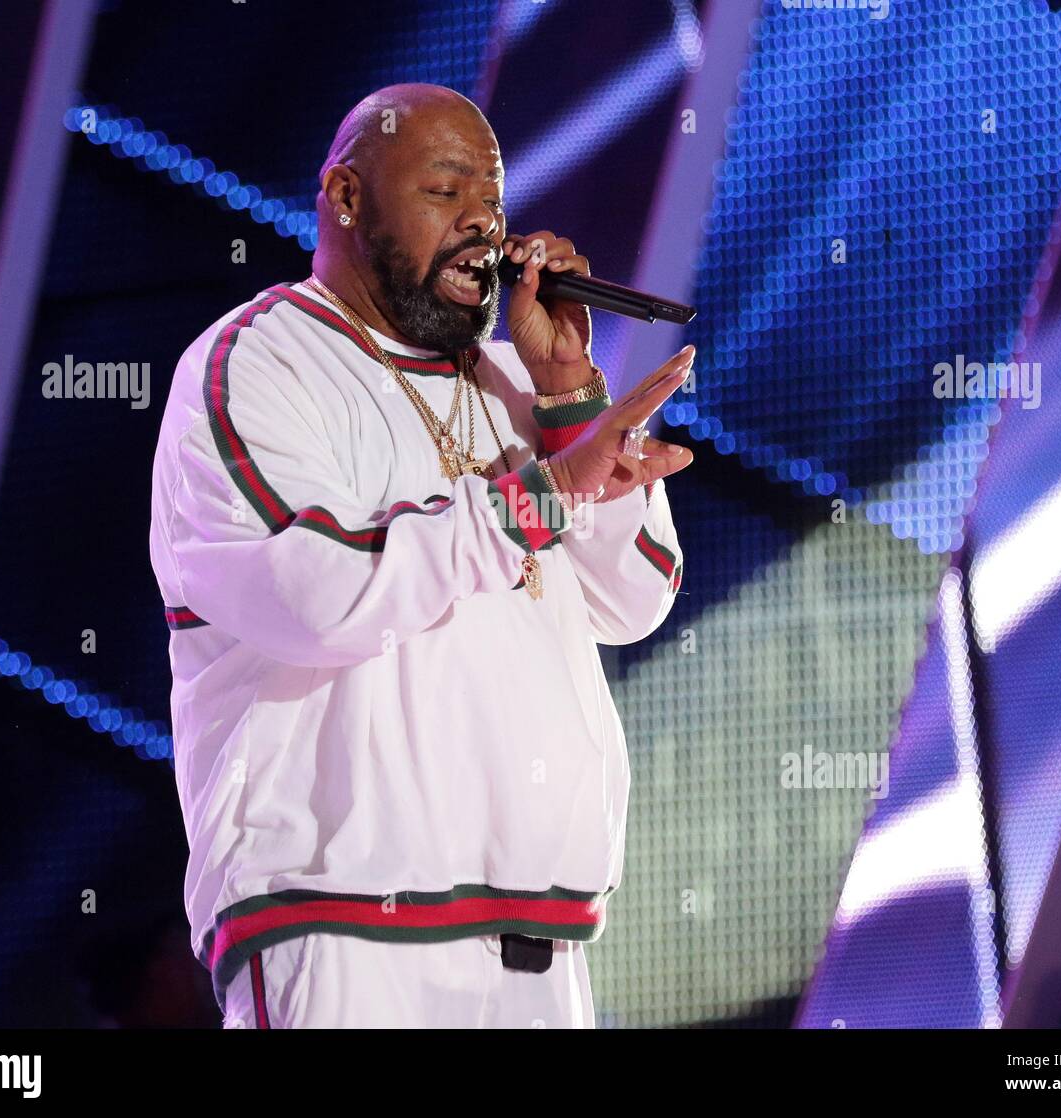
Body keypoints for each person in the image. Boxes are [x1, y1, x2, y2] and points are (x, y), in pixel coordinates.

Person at [148, 82, 694, 1028]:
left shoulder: (519, 386)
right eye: (447, 192)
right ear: (348, 196)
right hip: (342, 927)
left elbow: (636, 596)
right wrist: (541, 497)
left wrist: (567, 399)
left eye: (492, 199)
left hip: (541, 944)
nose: (483, 223)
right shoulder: (256, 362)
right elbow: (315, 592)